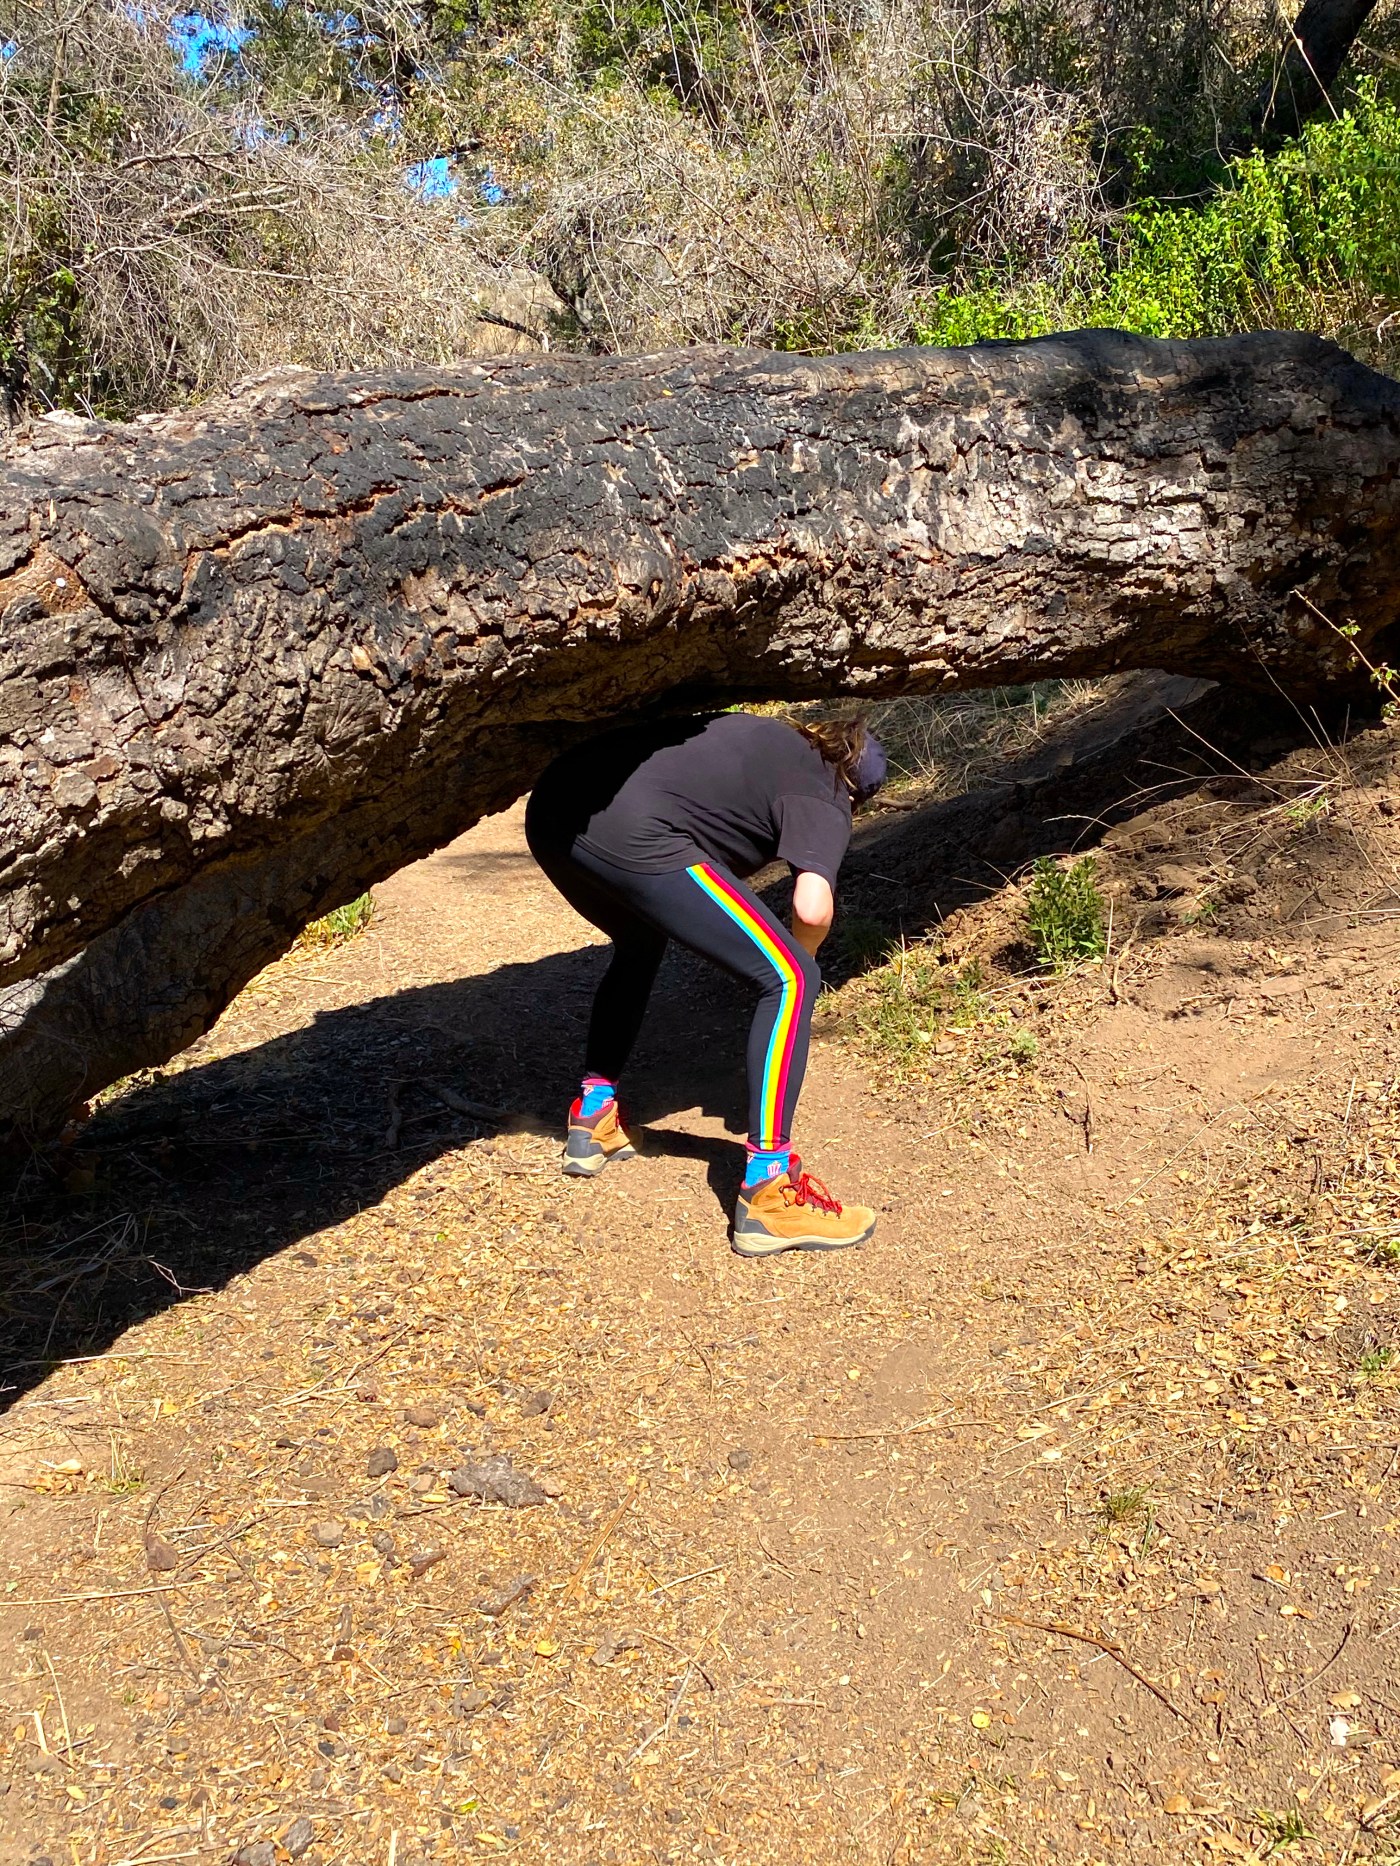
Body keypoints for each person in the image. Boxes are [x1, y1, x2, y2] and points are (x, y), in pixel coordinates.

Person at [524, 710, 888, 1256]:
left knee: (640, 940)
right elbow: (811, 910)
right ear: (857, 792)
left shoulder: (762, 735)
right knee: (791, 978)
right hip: (634, 829)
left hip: (555, 808)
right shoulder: (829, 789)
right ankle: (769, 1191)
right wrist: (798, 962)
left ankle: (594, 1113)